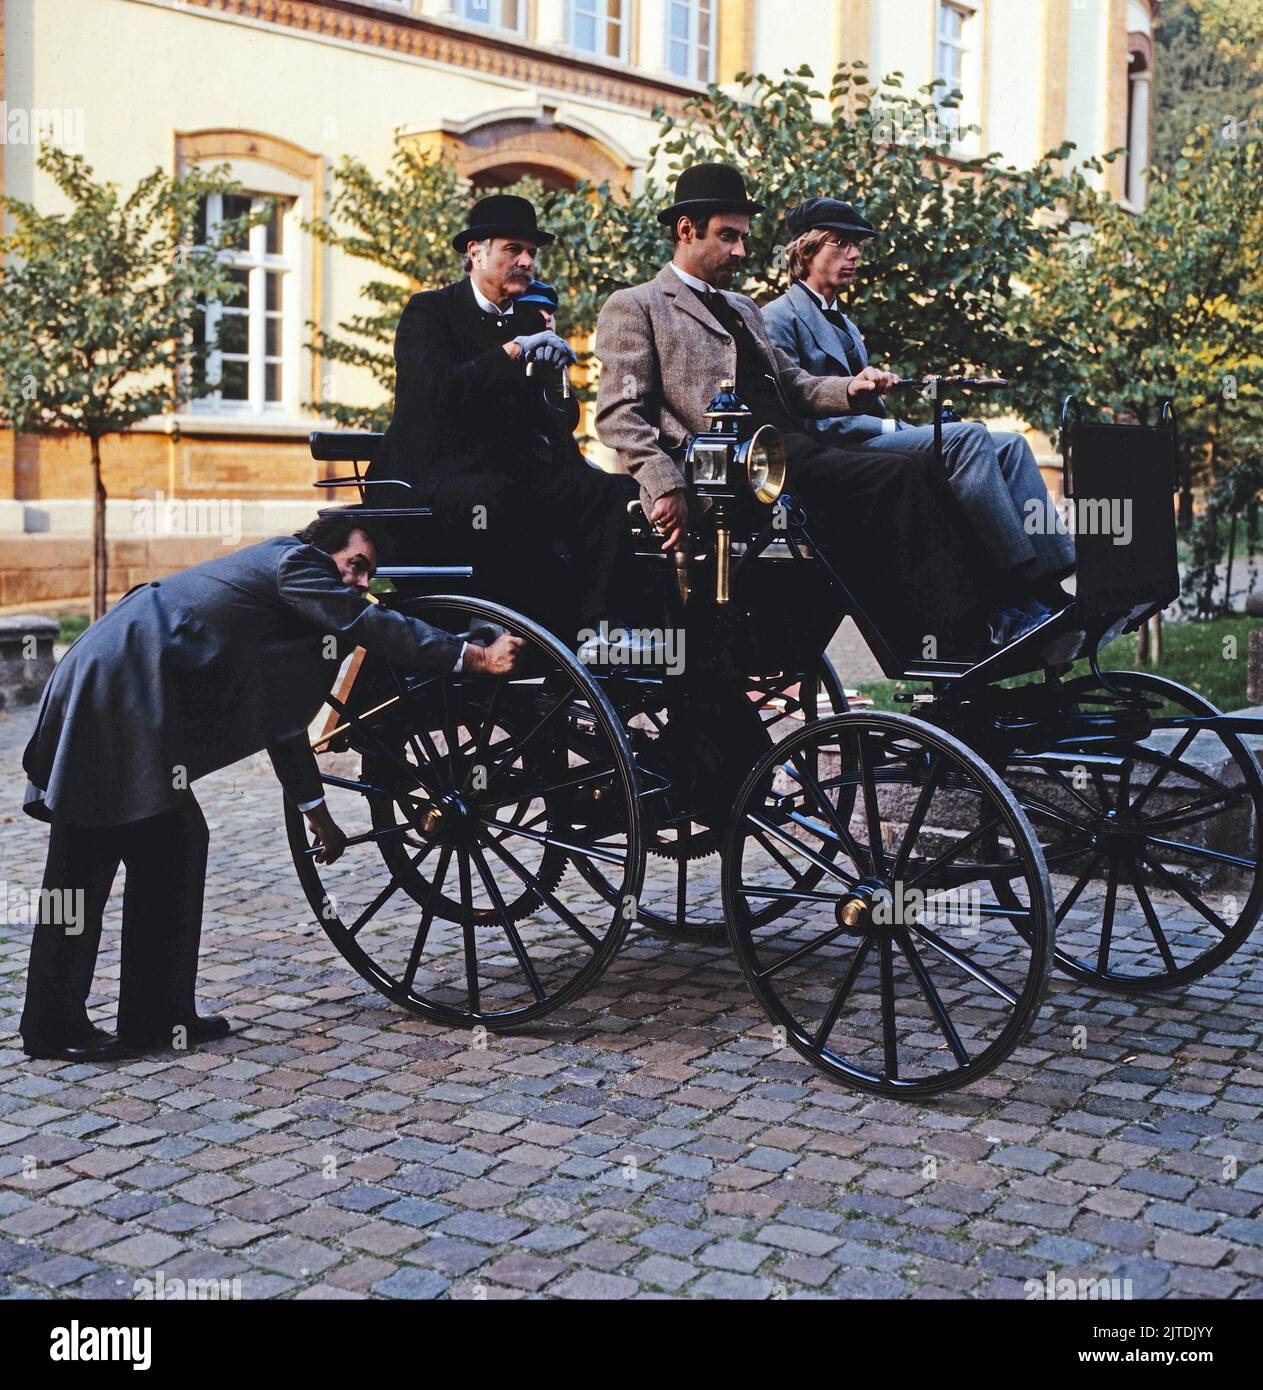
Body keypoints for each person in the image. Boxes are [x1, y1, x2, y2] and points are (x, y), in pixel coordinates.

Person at [18, 513, 523, 1063]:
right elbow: (367, 623)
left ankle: (157, 1015)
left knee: (175, 844)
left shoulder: (297, 615)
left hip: (136, 694)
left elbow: (281, 722)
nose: (361, 582)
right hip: (112, 687)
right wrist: (473, 656)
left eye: (369, 574)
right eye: (356, 565)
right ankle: (51, 1024)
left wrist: (318, 813)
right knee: (82, 862)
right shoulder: (296, 563)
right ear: (322, 549)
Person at [593, 162, 996, 654]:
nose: (741, 251)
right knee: (900, 477)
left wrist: (852, 390)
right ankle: (954, 636)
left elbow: (797, 384)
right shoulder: (637, 305)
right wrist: (664, 485)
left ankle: (979, 616)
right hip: (735, 473)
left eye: (743, 237)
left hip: (790, 451)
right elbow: (620, 414)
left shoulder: (741, 308)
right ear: (685, 230)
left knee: (922, 464)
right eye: (727, 237)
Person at [762, 197, 1075, 636]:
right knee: (968, 438)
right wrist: (895, 427)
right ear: (806, 251)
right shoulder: (777, 318)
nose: (854, 255)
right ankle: (1016, 582)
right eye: (842, 244)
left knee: (1010, 444)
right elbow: (803, 414)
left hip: (871, 439)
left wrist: (896, 422)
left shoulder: (847, 324)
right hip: (839, 453)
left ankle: (1051, 576)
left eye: (857, 246)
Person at [370, 194, 640, 652]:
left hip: (510, 472)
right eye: (513, 249)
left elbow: (554, 423)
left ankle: (599, 627)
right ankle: (537, 626)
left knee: (615, 493)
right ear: (475, 252)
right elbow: (435, 396)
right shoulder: (429, 312)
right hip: (434, 477)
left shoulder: (530, 318)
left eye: (531, 253)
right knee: (502, 497)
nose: (527, 262)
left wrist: (557, 380)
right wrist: (513, 352)